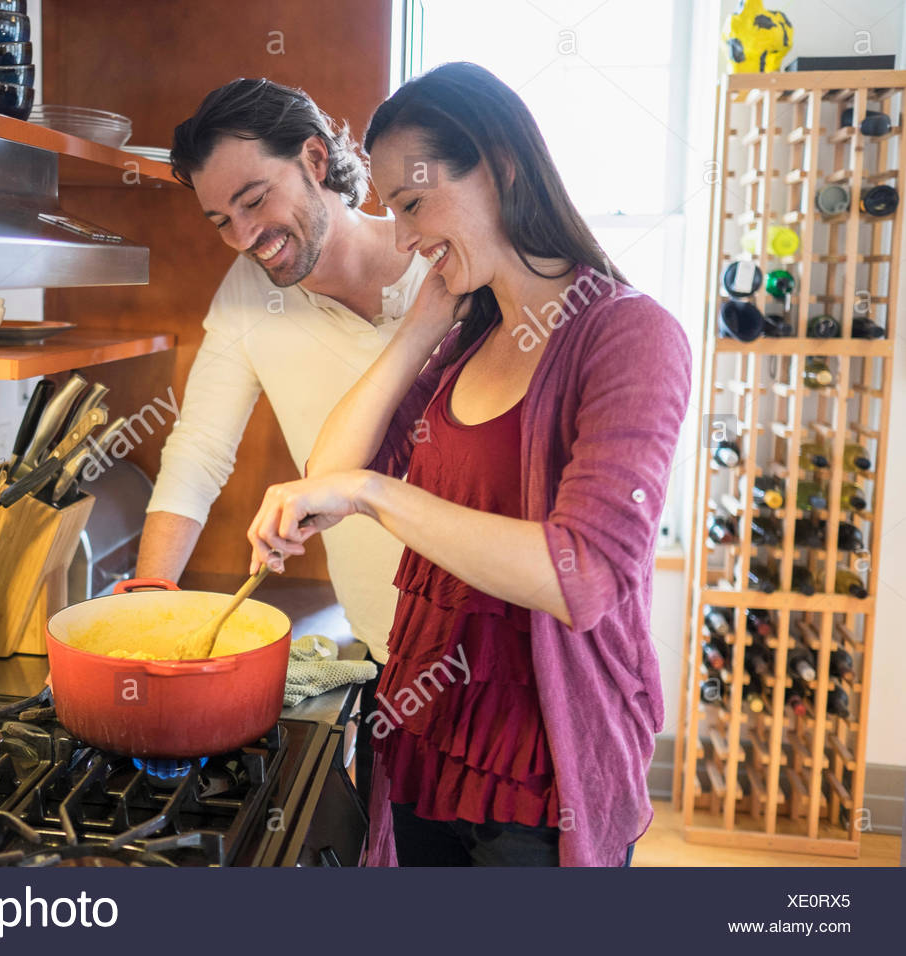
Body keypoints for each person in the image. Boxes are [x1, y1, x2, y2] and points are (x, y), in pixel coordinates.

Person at [245, 62, 691, 867]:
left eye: (414, 205)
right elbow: (331, 471)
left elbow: (581, 573)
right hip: (423, 735)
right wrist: (419, 328)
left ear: (502, 166)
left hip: (537, 770)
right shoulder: (463, 345)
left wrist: (372, 494)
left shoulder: (629, 337)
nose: (405, 238)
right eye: (392, 212)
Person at [137, 78, 431, 807]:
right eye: (220, 220)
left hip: (498, 635)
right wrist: (148, 596)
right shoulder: (249, 294)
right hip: (389, 647)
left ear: (314, 159)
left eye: (254, 199)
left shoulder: (442, 264)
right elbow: (199, 448)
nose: (244, 237)